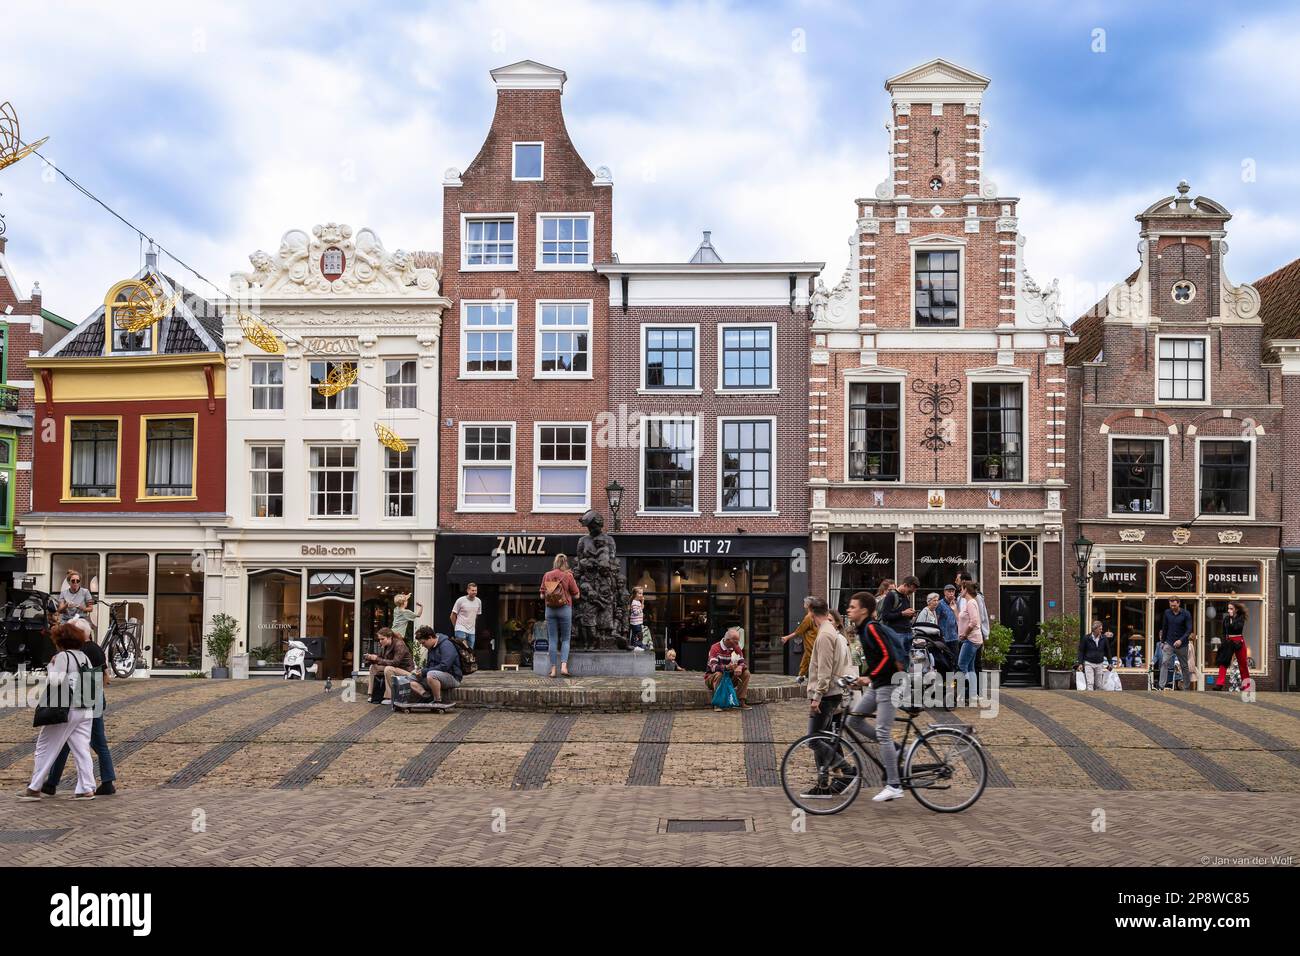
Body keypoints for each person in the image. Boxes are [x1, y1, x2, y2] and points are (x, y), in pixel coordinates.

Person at [20, 625, 99, 801]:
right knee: (81, 749)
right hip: (85, 706)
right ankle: (87, 788)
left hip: (66, 707)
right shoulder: (84, 656)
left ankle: (34, 787)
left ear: (60, 641)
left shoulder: (63, 657)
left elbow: (55, 681)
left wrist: (51, 665)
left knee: (45, 746)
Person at [844, 591, 906, 803]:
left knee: (882, 732)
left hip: (888, 685)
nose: (848, 610)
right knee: (854, 720)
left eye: (852, 607)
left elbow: (887, 655)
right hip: (878, 684)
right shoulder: (863, 629)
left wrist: (867, 677)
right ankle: (897, 750)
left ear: (863, 610)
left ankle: (894, 785)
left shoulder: (871, 627)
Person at [42, 625, 115, 797]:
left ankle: (52, 783)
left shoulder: (78, 652)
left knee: (83, 743)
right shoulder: (96, 649)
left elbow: (60, 679)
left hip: (82, 702)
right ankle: (104, 781)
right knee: (88, 743)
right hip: (93, 699)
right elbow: (105, 675)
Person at [803, 597, 855, 797]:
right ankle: (823, 784)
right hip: (832, 693)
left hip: (826, 695)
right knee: (825, 740)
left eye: (807, 613)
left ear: (811, 612)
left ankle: (847, 772)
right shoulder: (832, 632)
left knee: (814, 740)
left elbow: (824, 670)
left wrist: (817, 696)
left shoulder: (825, 634)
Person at [540, 555, 580, 678]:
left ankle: (553, 670)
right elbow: (577, 595)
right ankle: (563, 666)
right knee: (566, 639)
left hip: (550, 610)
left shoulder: (547, 575)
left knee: (552, 639)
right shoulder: (568, 575)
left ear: (555, 563)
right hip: (565, 609)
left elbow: (542, 596)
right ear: (565, 563)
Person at [407, 627, 462, 703]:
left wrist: (424, 671)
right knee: (410, 678)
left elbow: (445, 666)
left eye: (423, 643)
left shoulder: (446, 645)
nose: (423, 646)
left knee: (431, 674)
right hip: (435, 676)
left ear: (430, 637)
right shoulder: (431, 647)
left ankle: (437, 700)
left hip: (452, 677)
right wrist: (420, 672)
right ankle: (426, 695)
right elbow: (429, 666)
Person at [363, 627, 413, 704]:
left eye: (382, 639)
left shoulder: (399, 644)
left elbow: (395, 662)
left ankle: (389, 697)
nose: (380, 641)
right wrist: (371, 658)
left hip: (405, 671)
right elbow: (380, 659)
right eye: (379, 639)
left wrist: (377, 659)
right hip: (394, 668)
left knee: (388, 669)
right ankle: (372, 694)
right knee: (373, 667)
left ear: (390, 637)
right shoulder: (385, 646)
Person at [705, 627, 750, 710]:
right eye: (735, 641)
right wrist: (726, 667)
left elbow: (742, 662)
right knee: (719, 674)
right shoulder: (715, 648)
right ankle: (718, 703)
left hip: (729, 678)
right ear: (728, 640)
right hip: (713, 678)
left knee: (746, 673)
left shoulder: (736, 648)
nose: (737, 643)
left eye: (738, 641)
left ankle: (741, 701)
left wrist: (740, 667)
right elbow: (713, 667)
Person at [877, 575, 918, 662]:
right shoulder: (891, 595)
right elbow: (885, 616)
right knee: (897, 662)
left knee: (906, 662)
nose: (911, 593)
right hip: (896, 634)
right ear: (906, 585)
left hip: (908, 633)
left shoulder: (906, 596)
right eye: (911, 590)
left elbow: (903, 615)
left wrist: (910, 614)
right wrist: (903, 613)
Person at [1158, 598, 1195, 691]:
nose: (1172, 607)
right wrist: (1162, 641)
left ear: (1178, 603)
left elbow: (1189, 630)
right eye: (1171, 605)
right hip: (1169, 642)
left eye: (1174, 605)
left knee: (1184, 665)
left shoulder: (1186, 614)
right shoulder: (1167, 613)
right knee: (1164, 662)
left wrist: (1181, 640)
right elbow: (1165, 627)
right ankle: (1161, 686)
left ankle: (1186, 687)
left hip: (1182, 644)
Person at [1214, 603, 1251, 692]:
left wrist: (1232, 618)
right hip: (1229, 641)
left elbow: (1236, 627)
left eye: (1231, 608)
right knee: (1223, 662)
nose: (1229, 610)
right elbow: (1224, 631)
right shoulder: (1226, 619)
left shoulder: (1240, 618)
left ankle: (1246, 685)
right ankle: (1219, 684)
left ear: (1236, 610)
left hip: (1238, 641)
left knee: (1243, 664)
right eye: (1228, 608)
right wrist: (1224, 641)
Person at [782, 597, 816, 683]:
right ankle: (801, 676)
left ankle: (814, 681)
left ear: (808, 605)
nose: (803, 605)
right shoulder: (814, 615)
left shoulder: (808, 617)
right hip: (812, 644)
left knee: (813, 663)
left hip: (811, 645)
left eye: (804, 603)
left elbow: (799, 631)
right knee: (804, 661)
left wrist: (786, 638)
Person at [957, 580, 983, 685]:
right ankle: (972, 693)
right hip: (973, 640)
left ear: (966, 590)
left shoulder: (971, 603)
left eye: (961, 588)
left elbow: (974, 622)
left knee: (962, 665)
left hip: (970, 640)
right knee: (970, 668)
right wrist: (955, 610)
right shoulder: (971, 602)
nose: (960, 591)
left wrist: (965, 634)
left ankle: (965, 692)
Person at [1076, 621, 1113, 691]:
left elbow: (1108, 651)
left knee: (1099, 685)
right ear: (1095, 629)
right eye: (1100, 629)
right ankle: (1090, 699)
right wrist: (1080, 663)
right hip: (1089, 663)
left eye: (1101, 629)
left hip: (1099, 663)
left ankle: (1097, 699)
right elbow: (1081, 651)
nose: (1101, 631)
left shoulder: (1104, 638)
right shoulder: (1086, 638)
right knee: (1090, 683)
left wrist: (1110, 662)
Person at [449, 583, 481, 650]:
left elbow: (476, 616)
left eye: (476, 590)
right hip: (460, 629)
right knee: (461, 650)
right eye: (472, 590)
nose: (474, 592)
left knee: (470, 651)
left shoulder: (478, 601)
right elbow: (452, 615)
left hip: (472, 631)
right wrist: (456, 627)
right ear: (468, 590)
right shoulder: (461, 600)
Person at [938, 584, 960, 666]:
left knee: (955, 660)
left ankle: (953, 678)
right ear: (944, 592)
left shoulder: (956, 603)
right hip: (944, 638)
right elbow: (937, 619)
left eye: (953, 591)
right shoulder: (940, 604)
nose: (951, 593)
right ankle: (946, 678)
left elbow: (958, 619)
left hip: (954, 637)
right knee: (945, 661)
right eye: (949, 591)